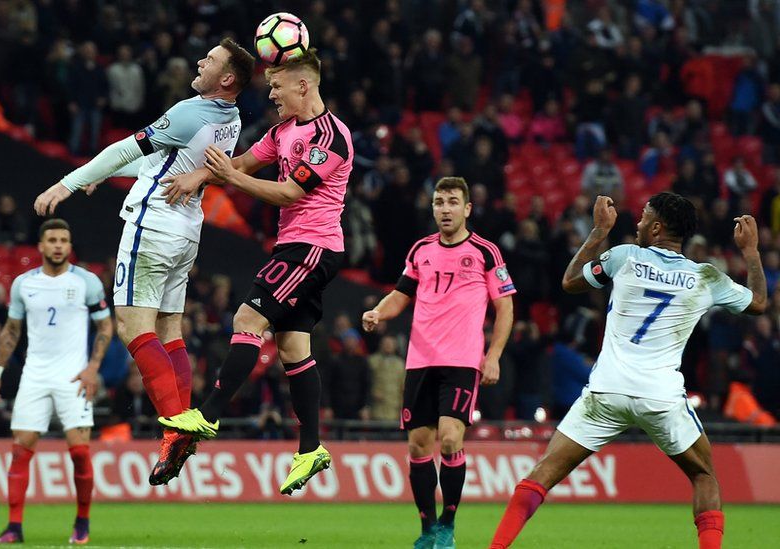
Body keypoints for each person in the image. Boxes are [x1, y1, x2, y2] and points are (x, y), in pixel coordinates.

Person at [32, 39, 255, 486]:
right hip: (186, 230)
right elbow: (166, 162)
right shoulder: (230, 118)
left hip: (151, 225)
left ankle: (174, 427)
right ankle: (183, 423)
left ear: (227, 78)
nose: (199, 61)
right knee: (171, 330)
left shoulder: (191, 112)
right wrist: (104, 176)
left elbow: (127, 150)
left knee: (134, 327)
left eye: (209, 60)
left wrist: (70, 182)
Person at [489, 193, 768, 549]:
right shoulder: (706, 276)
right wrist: (751, 253)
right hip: (661, 396)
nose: (635, 223)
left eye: (642, 218)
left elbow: (571, 281)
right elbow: (758, 304)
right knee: (703, 475)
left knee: (542, 474)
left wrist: (598, 231)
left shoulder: (624, 257)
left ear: (656, 227)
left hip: (608, 390)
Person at [159, 48, 354, 495]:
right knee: (292, 346)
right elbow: (244, 164)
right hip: (296, 246)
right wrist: (198, 179)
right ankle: (311, 449)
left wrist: (230, 176)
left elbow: (287, 193)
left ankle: (207, 414)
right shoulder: (283, 130)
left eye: (277, 87)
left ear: (303, 85)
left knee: (247, 319)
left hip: (312, 247)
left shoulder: (332, 137)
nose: (271, 95)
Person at [360, 177, 515, 549]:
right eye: (439, 202)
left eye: (452, 202)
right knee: (418, 446)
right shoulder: (420, 250)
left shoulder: (485, 252)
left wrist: (492, 356)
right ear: (432, 208)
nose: (445, 208)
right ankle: (428, 528)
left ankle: (448, 522)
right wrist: (379, 313)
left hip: (461, 360)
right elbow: (401, 295)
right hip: (421, 359)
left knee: (449, 439)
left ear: (467, 209)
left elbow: (505, 306)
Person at [0, 219, 113, 545]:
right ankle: (14, 527)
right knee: (20, 451)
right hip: (35, 375)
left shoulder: (87, 282)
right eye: (52, 240)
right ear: (41, 246)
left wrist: (92, 367)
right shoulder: (23, 284)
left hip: (74, 377)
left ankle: (82, 522)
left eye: (64, 240)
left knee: (80, 452)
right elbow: (11, 331)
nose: (58, 245)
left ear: (69, 246)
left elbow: (105, 327)